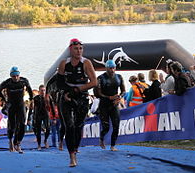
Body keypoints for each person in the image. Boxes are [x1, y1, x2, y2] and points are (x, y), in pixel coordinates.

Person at [55, 38, 97, 167]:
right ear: (70, 50)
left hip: (81, 97)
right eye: (76, 49)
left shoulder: (86, 63)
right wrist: (67, 93)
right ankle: (72, 156)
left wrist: (77, 90)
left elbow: (94, 82)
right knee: (69, 126)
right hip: (67, 97)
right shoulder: (64, 63)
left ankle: (75, 147)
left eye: (80, 49)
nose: (79, 51)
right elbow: (59, 83)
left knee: (78, 126)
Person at [0, 66, 33, 153]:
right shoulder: (7, 83)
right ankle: (10, 141)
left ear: (19, 75)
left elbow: (30, 90)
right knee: (12, 126)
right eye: (13, 76)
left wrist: (31, 99)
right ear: (11, 76)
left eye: (17, 76)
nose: (15, 78)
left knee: (23, 125)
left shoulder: (24, 81)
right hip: (11, 105)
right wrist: (4, 99)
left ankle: (18, 143)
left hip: (20, 104)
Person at [94, 59, 126, 151]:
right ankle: (101, 138)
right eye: (110, 68)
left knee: (116, 125)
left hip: (114, 105)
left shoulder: (119, 77)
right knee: (106, 127)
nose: (112, 70)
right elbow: (97, 93)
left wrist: (119, 97)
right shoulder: (101, 78)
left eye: (113, 68)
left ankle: (112, 145)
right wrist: (109, 97)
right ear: (106, 68)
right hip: (104, 105)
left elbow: (123, 91)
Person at [33, 84, 55, 150]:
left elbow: (52, 107)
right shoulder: (36, 98)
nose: (43, 92)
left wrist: (54, 117)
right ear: (39, 91)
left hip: (46, 114)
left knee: (48, 129)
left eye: (44, 90)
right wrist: (33, 118)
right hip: (38, 115)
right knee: (38, 130)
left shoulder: (48, 97)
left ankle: (45, 140)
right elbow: (34, 109)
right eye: (42, 90)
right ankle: (39, 144)